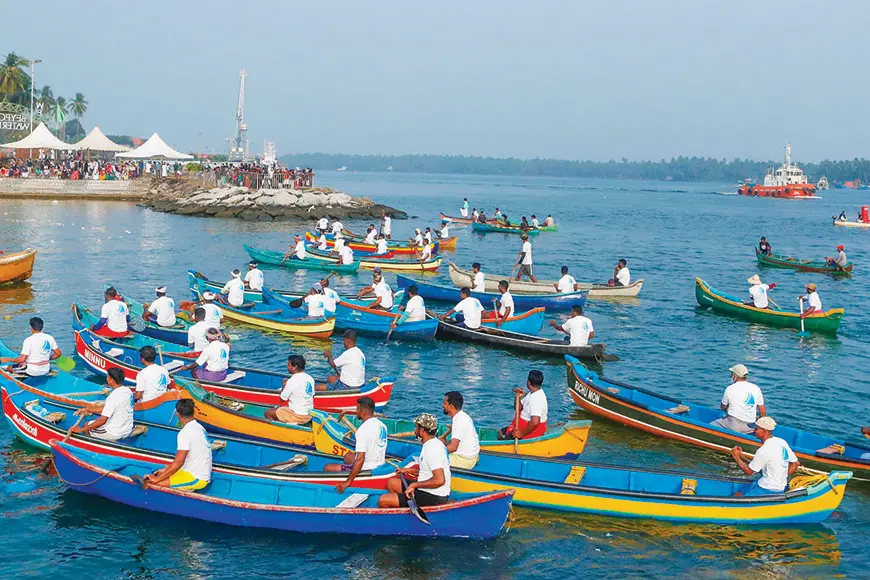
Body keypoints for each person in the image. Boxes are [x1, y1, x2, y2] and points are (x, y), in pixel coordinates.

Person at [378, 413, 451, 508]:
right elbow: (427, 471)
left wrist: (414, 485)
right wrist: (408, 470)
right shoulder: (431, 443)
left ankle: (401, 509)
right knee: (391, 483)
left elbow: (440, 480)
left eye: (416, 428)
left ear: (422, 431)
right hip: (426, 488)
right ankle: (403, 507)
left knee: (383, 500)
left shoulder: (432, 449)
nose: (415, 431)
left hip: (434, 495)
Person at [141, 399, 212, 491]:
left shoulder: (185, 433)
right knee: (161, 474)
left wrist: (157, 479)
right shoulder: (200, 428)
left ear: (177, 414)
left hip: (197, 478)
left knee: (150, 483)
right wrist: (165, 471)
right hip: (191, 471)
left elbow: (179, 462)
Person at [327, 396, 387, 492]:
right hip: (379, 463)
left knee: (328, 467)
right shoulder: (382, 426)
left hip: (366, 468)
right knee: (347, 456)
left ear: (363, 411)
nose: (356, 412)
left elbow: (360, 459)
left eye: (357, 409)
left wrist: (348, 482)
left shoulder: (363, 430)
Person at [729, 416, 799, 496]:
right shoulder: (781, 442)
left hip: (766, 488)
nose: (754, 431)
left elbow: (749, 472)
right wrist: (780, 478)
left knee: (738, 497)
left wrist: (735, 456)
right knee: (740, 492)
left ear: (764, 431)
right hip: (779, 486)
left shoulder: (763, 450)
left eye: (756, 429)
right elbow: (795, 463)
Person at [70, 368, 133, 441]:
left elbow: (102, 421)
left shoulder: (113, 396)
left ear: (112, 380)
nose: (106, 379)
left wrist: (80, 430)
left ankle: (91, 445)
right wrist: (87, 409)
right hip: (127, 430)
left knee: (86, 425)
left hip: (114, 433)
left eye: (107, 377)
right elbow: (106, 408)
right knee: (91, 423)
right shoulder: (128, 391)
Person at [710, 364, 766, 434]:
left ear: (735, 376)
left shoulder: (730, 388)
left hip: (734, 425)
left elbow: (723, 407)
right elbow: (763, 412)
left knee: (711, 425)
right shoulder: (756, 388)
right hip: (750, 427)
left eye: (732, 374)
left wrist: (727, 409)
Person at [264, 355, 315, 425]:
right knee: (282, 409)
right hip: (309, 415)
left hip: (298, 416)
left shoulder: (292, 380)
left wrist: (284, 386)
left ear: (295, 367)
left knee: (268, 413)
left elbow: (282, 399)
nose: (287, 367)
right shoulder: (310, 378)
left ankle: (278, 430)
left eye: (289, 365)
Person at [498, 370, 548, 440]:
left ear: (529, 382)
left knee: (501, 437)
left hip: (528, 432)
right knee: (500, 431)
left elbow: (535, 422)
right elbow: (518, 408)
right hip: (521, 426)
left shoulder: (536, 398)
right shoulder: (532, 394)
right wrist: (517, 397)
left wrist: (520, 433)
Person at [441, 391, 480, 469]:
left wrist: (435, 450)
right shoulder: (463, 416)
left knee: (431, 460)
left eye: (444, 403)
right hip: (473, 456)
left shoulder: (459, 421)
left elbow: (453, 447)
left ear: (451, 406)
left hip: (464, 460)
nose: (442, 405)